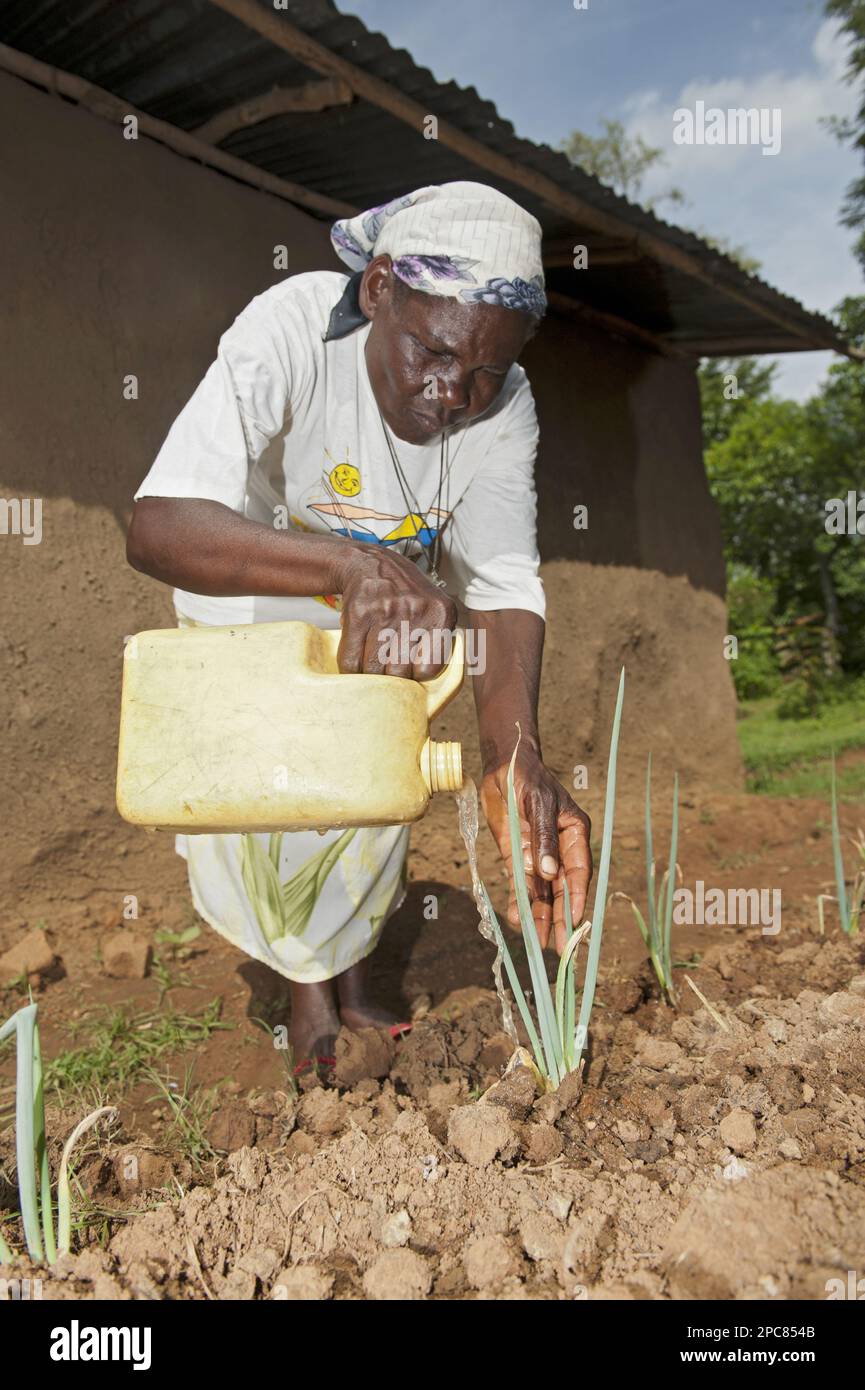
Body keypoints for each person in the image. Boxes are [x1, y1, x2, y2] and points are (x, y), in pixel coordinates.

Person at [127, 180, 592, 1071]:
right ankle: (310, 992)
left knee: (374, 788)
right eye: (432, 351)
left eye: (486, 371)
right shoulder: (295, 325)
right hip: (256, 582)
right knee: (288, 786)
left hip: (388, 608)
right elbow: (158, 525)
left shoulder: (505, 409)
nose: (454, 392)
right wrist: (347, 566)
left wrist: (515, 759)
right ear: (378, 289)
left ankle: (350, 972)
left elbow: (500, 587)